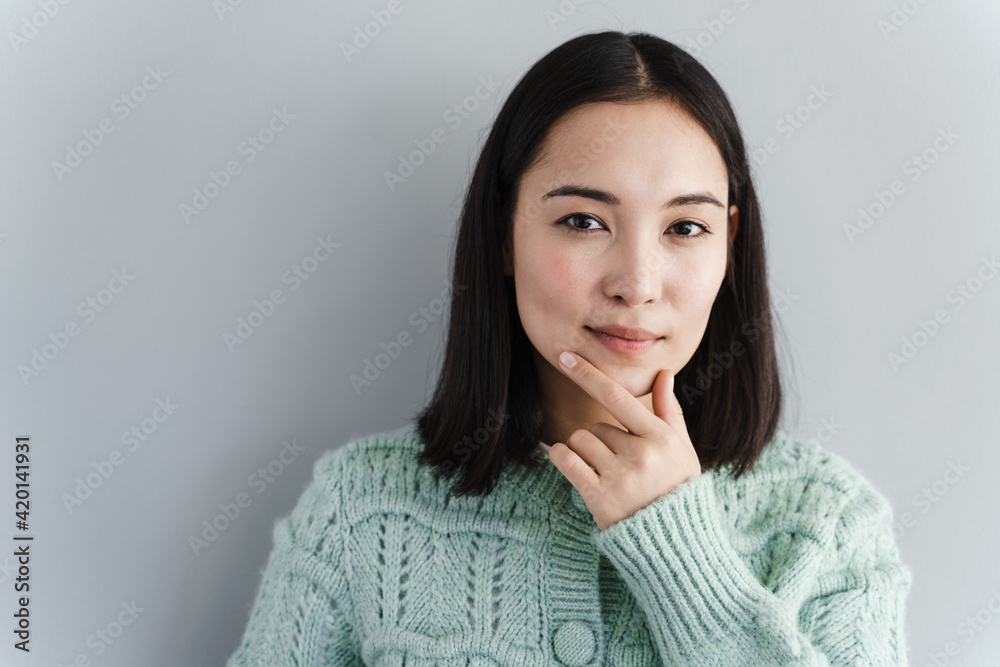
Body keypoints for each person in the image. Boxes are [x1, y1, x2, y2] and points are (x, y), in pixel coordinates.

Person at [227, 30, 912, 666]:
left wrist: (683, 552)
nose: (636, 284)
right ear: (504, 233)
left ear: (730, 242)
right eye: (583, 220)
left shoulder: (829, 522)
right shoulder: (360, 507)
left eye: (685, 227)